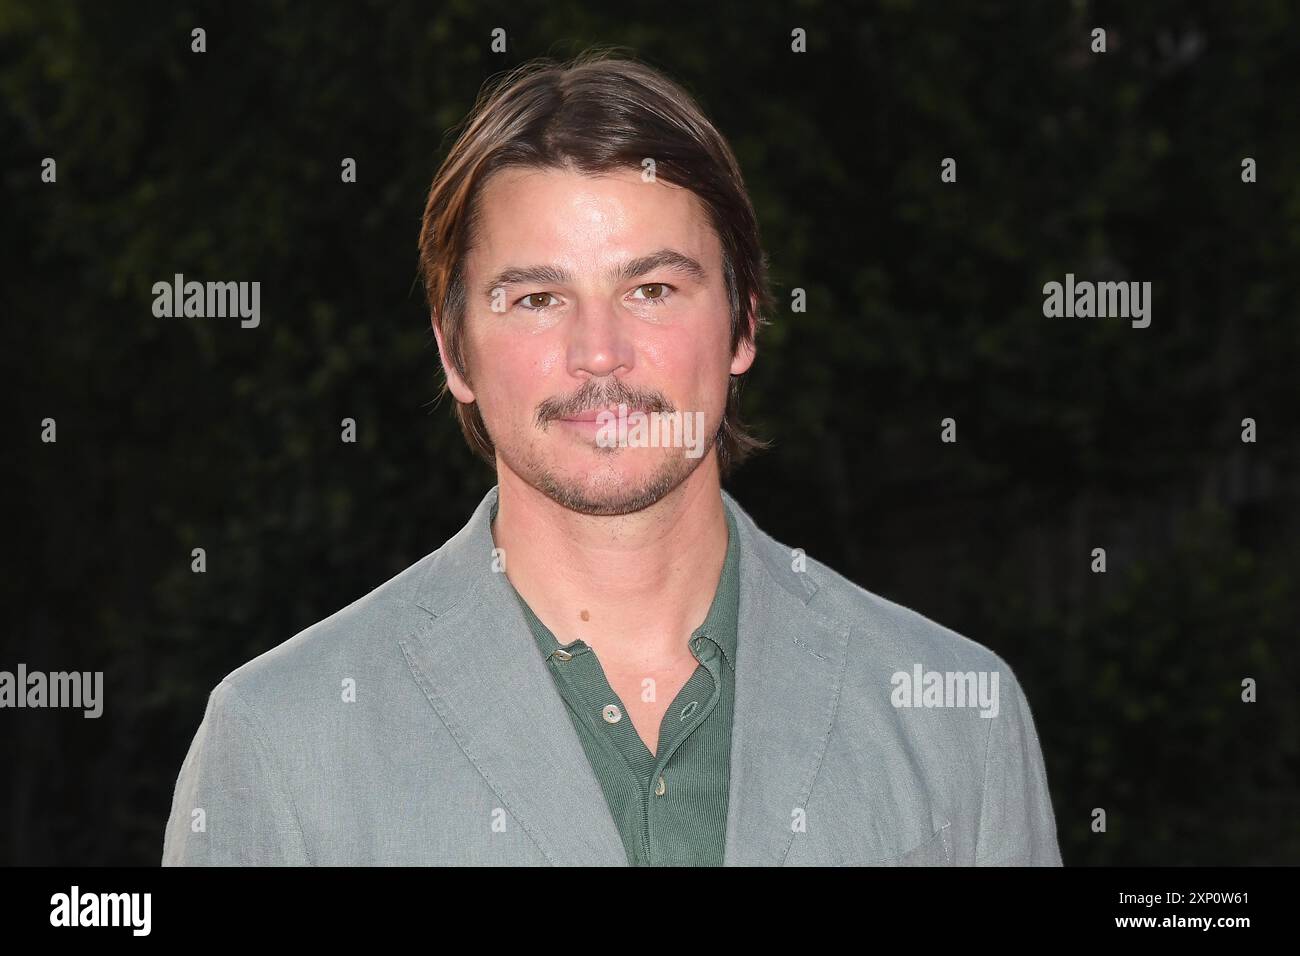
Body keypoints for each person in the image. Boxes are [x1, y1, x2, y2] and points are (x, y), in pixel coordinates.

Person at [162, 51, 1062, 866]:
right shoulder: (281, 738)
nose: (600, 352)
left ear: (746, 322)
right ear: (453, 351)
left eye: (653, 288)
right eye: (538, 298)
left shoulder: (954, 719)